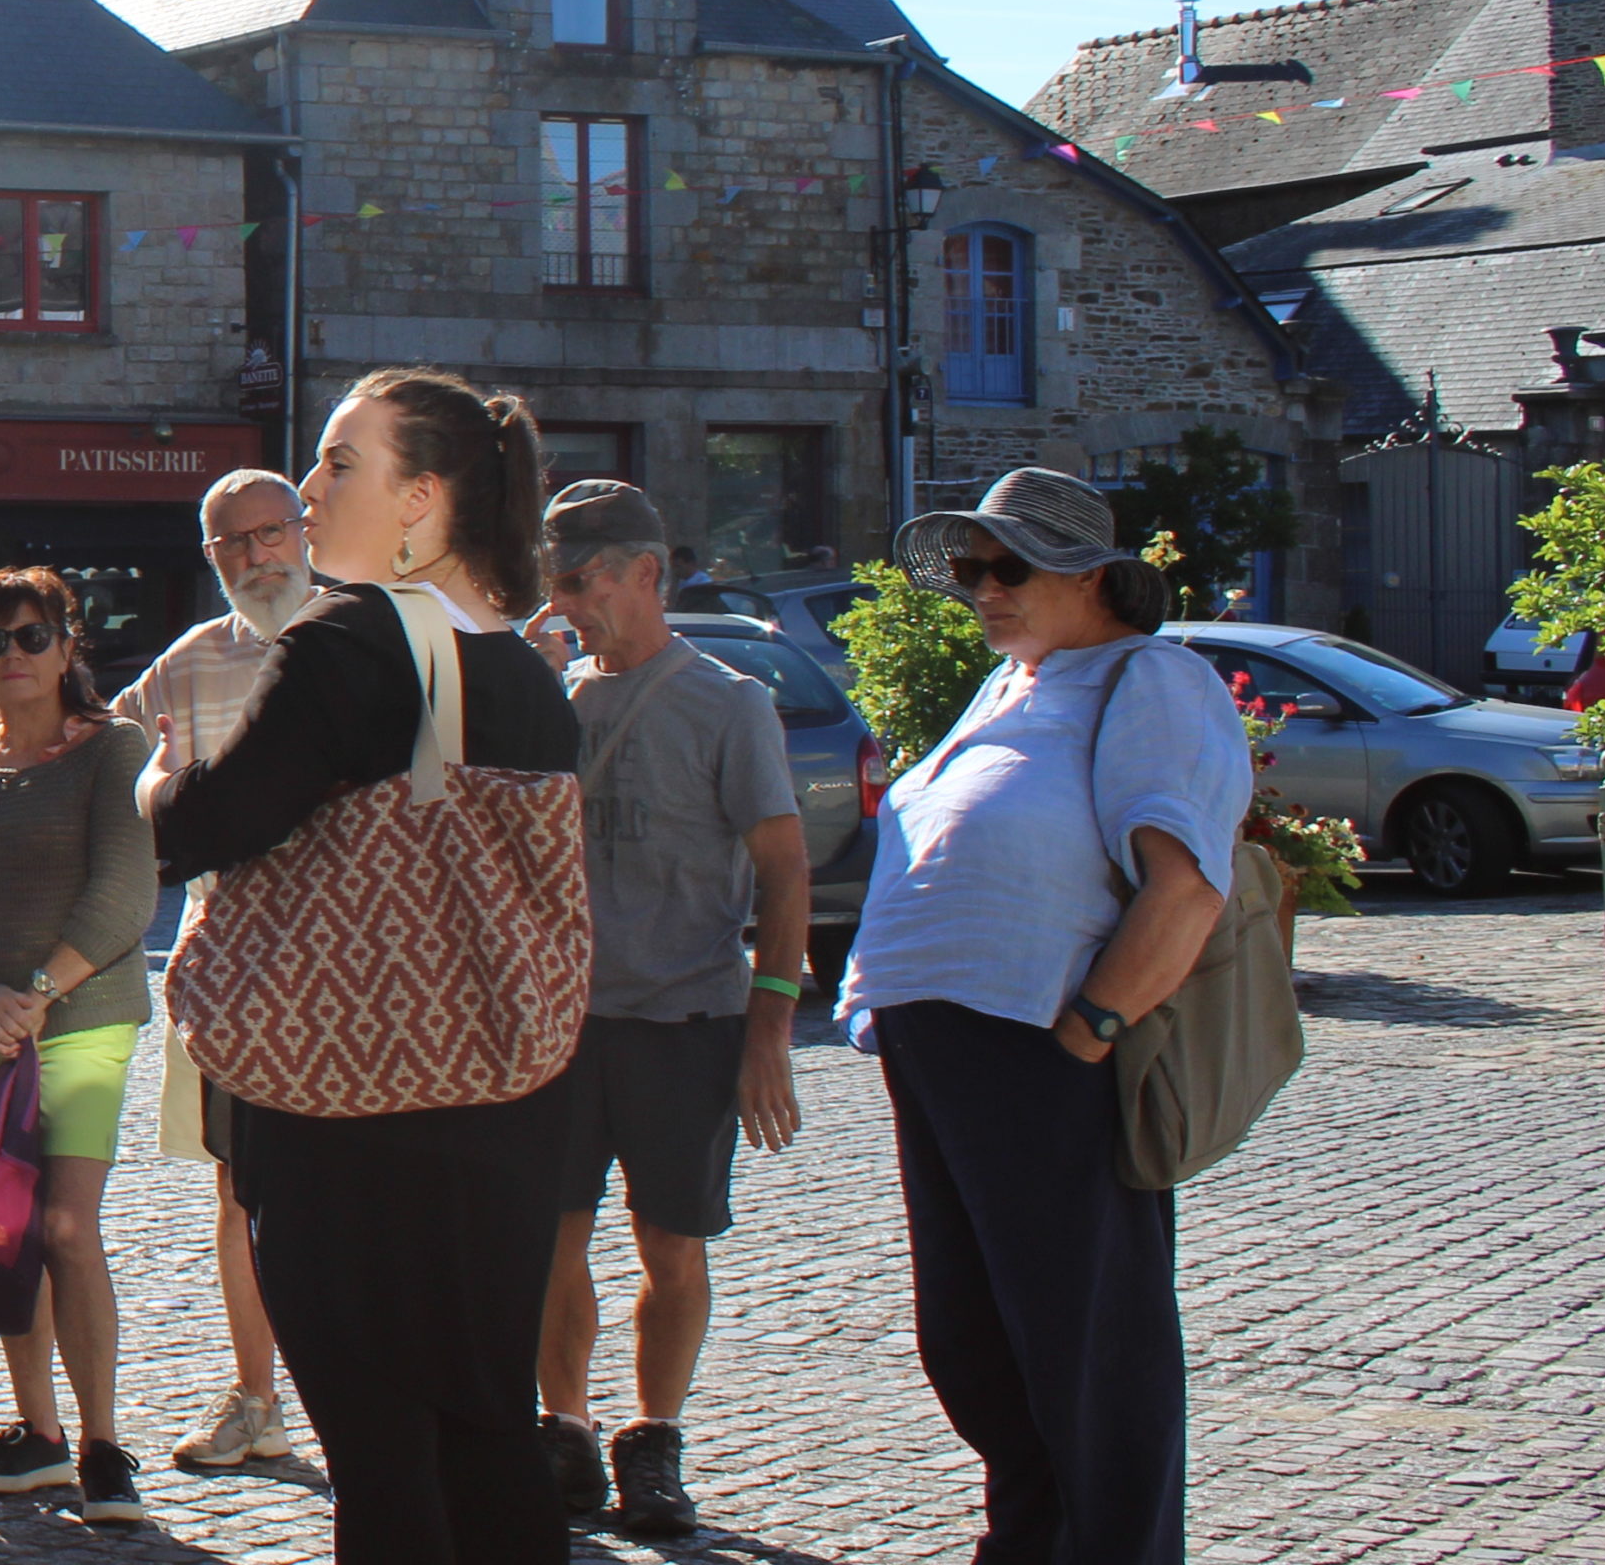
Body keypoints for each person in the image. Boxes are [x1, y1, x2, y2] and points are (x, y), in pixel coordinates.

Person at [151, 367, 582, 1564]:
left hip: (349, 1103)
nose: (307, 486)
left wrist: (149, 783)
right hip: (498, 1096)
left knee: (380, 1448)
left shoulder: (349, 642)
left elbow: (204, 822)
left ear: (421, 498)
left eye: (340, 461)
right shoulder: (520, 672)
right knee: (484, 1426)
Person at [838, 467, 1245, 1565]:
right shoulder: (1014, 680)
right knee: (971, 1344)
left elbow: (1184, 884)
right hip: (939, 1045)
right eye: (969, 568)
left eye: (1005, 565)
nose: (980, 588)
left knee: (1086, 1348)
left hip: (1038, 1043)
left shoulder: (1148, 675)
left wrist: (1089, 1030)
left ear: (1092, 576)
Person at [528, 481, 813, 1538]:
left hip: (684, 1015)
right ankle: (561, 1427)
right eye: (553, 584)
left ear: (647, 572)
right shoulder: (549, 695)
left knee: (670, 1243)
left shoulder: (726, 700)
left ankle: (650, 1438)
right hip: (560, 1023)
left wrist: (768, 1027)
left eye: (581, 582)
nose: (565, 605)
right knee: (551, 1239)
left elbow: (783, 870)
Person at [0, 568, 164, 1527]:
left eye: (28, 636)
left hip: (85, 1019)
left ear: (66, 645)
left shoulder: (113, 752)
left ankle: (104, 1448)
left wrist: (39, 991)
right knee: (3, 1227)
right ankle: (39, 1436)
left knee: (65, 1222)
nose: (10, 655)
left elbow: (123, 895)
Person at [107, 470, 313, 1471]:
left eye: (269, 532)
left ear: (302, 531)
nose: (254, 555)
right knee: (238, 1192)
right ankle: (254, 1396)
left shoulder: (367, 639)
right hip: (230, 971)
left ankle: (381, 1404)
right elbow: (98, 754)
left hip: (352, 976)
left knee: (359, 1193)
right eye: (231, 542)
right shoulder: (189, 662)